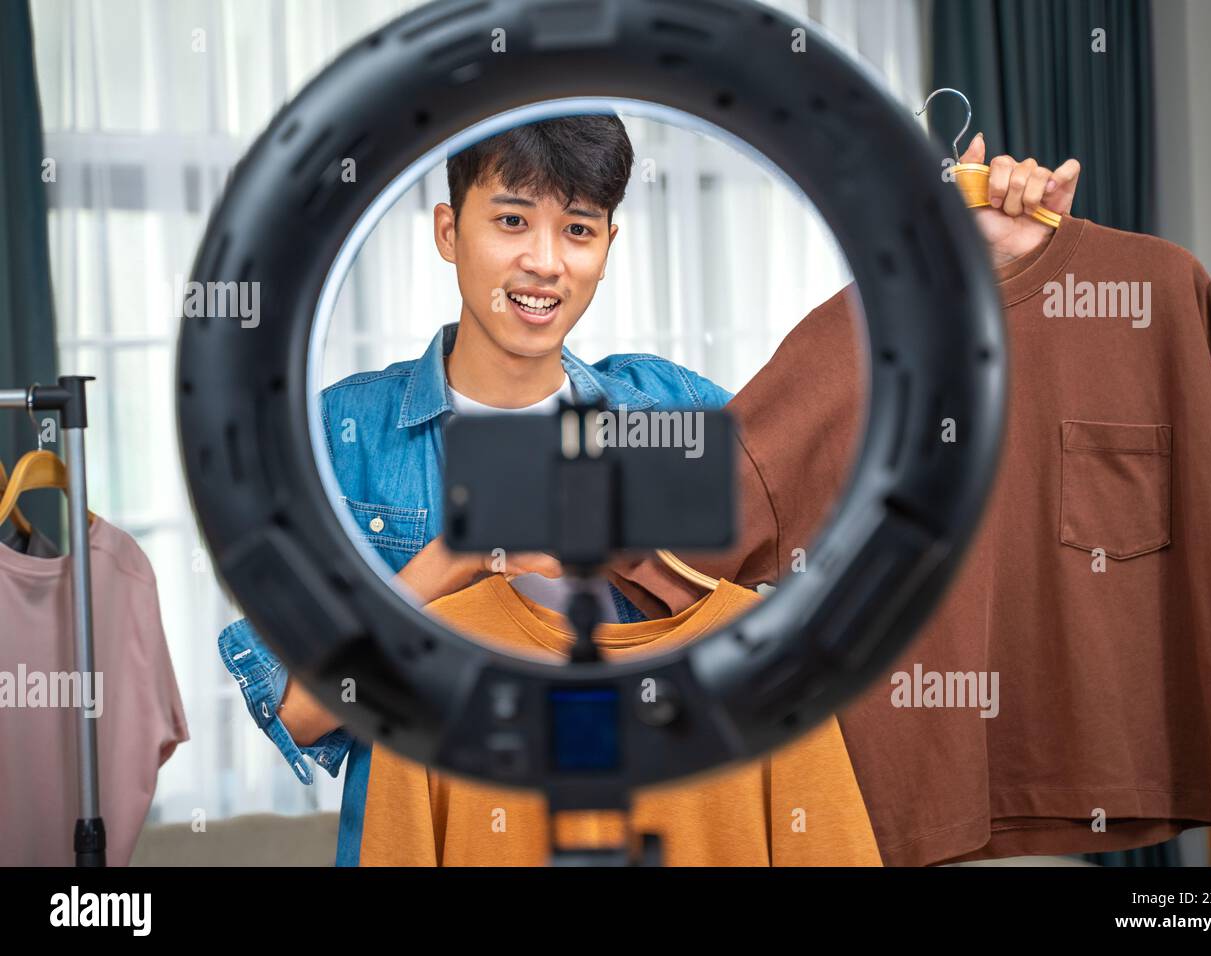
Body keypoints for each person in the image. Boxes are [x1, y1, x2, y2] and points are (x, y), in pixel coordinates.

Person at [219, 111, 1081, 866]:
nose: (544, 263)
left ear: (608, 246)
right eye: (511, 221)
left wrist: (992, 274)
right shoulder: (347, 438)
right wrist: (457, 559)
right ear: (449, 230)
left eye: (579, 230)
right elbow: (297, 713)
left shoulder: (664, 406)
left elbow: (871, 469)